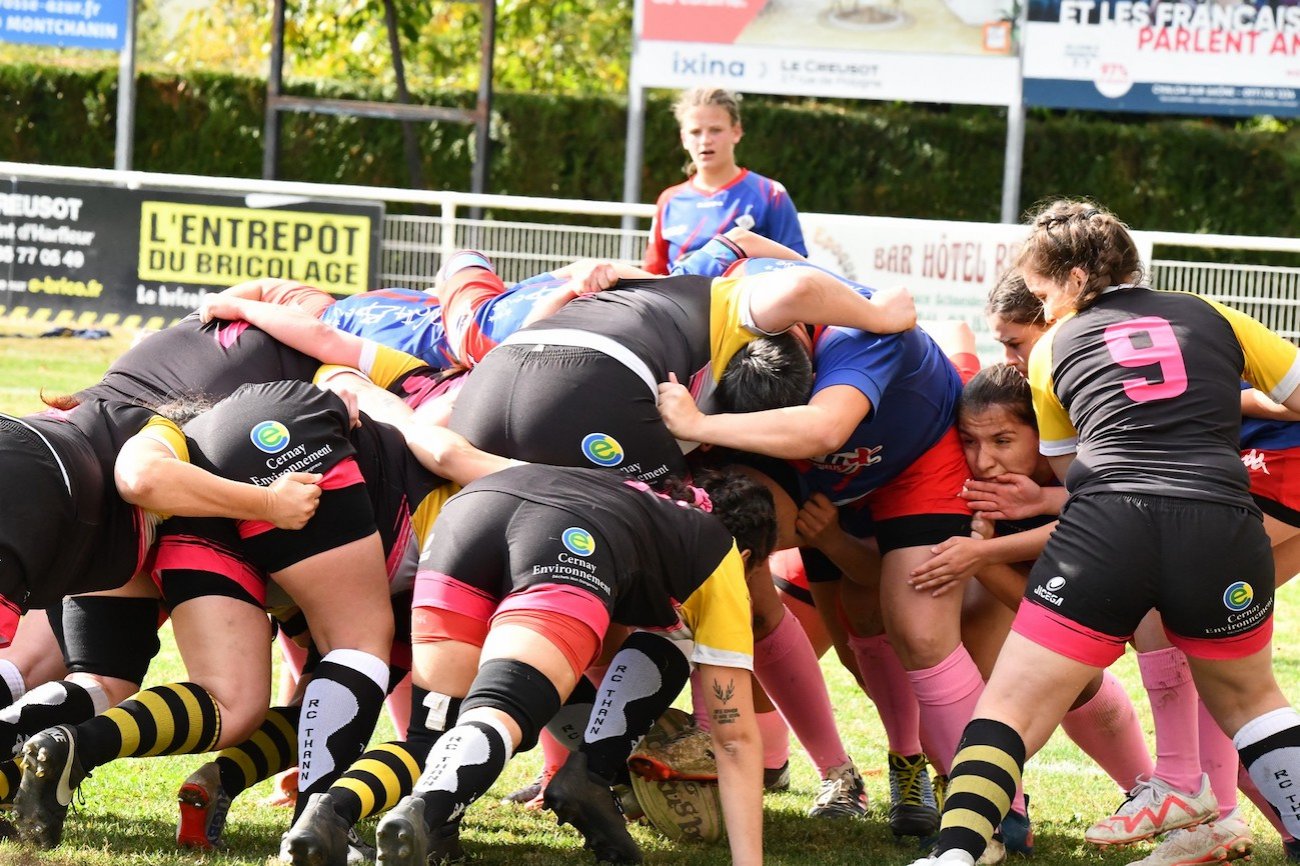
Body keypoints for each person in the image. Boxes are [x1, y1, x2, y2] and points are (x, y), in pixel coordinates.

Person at [908, 199, 1300, 866]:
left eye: (1041, 291)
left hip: (1111, 522)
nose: (1044, 306)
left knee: (1011, 708)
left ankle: (952, 855)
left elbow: (1072, 467)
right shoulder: (1217, 315)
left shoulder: (1053, 347)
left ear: (1074, 277)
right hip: (1220, 520)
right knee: (1254, 702)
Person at [281, 464, 773, 866]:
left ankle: (330, 812)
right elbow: (734, 736)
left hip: (470, 513)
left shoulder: (645, 506)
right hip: (567, 539)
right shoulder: (722, 560)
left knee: (429, 740)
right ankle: (427, 814)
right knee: (500, 710)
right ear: (749, 555)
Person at [644, 87, 806, 275]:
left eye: (715, 130)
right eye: (695, 132)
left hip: (745, 303)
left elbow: (797, 268)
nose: (705, 140)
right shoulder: (669, 200)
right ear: (684, 139)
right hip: (679, 302)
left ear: (736, 132)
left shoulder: (770, 193)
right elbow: (654, 273)